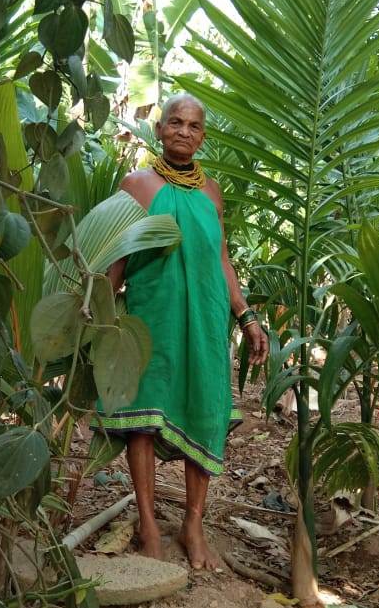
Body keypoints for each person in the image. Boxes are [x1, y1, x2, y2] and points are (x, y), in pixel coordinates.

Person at [91, 94, 269, 569]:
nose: (184, 132)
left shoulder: (212, 191)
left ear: (202, 135)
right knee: (144, 416)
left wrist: (245, 315)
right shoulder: (137, 185)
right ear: (161, 128)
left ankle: (193, 524)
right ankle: (149, 525)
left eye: (193, 126)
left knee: (206, 409)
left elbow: (221, 257)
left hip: (207, 320)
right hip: (153, 316)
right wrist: (102, 319)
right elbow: (117, 254)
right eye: (175, 122)